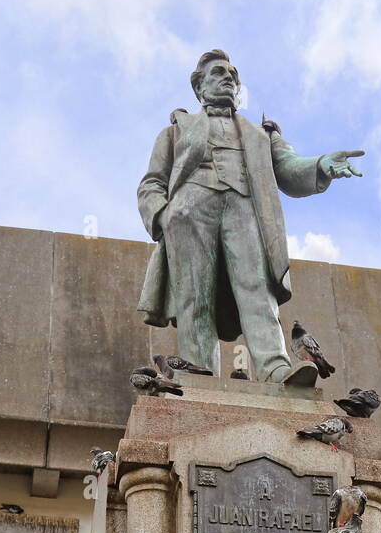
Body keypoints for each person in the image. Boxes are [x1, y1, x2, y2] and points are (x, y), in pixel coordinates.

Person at [137, 48, 363, 381]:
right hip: (188, 212)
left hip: (244, 210)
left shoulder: (261, 135)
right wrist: (164, 216)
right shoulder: (175, 131)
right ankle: (199, 372)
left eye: (233, 74)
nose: (228, 78)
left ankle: (275, 369)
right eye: (218, 72)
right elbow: (152, 183)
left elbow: (289, 167)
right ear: (199, 87)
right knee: (194, 298)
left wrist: (320, 165)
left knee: (257, 290)